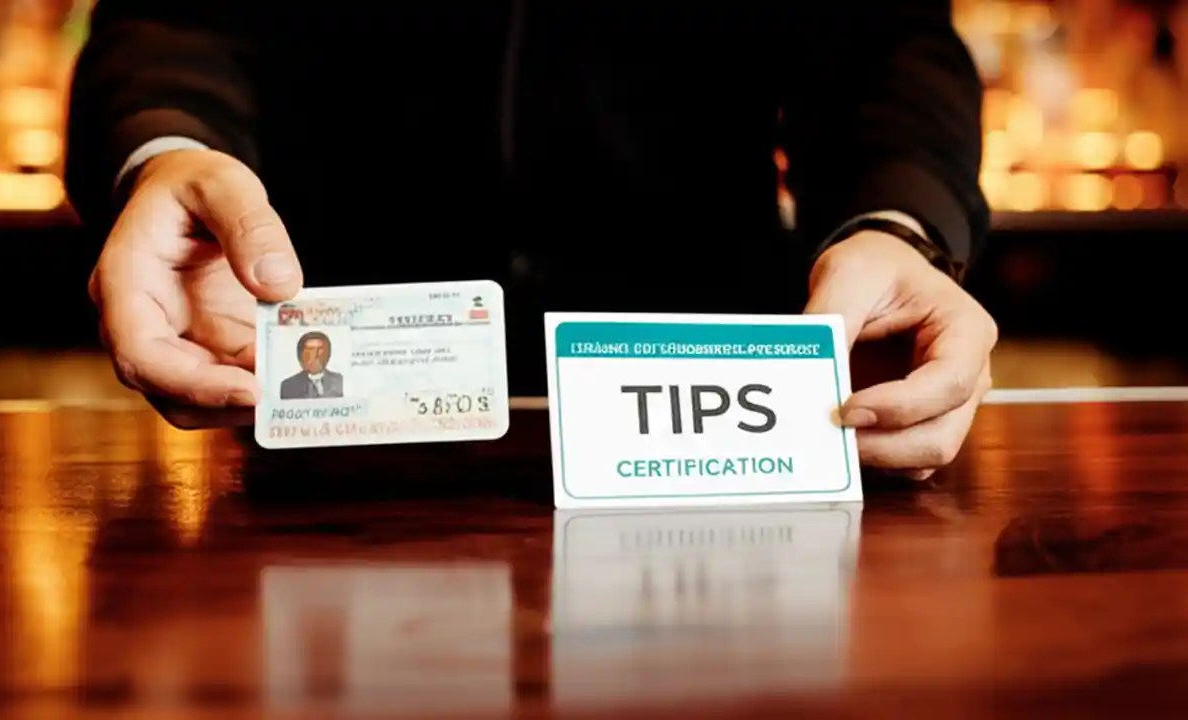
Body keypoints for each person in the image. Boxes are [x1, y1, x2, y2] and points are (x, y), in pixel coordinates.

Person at [67, 1, 997, 480]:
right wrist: (166, 149)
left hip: (709, 422)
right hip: (323, 417)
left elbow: (886, 44)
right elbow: (173, 20)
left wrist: (899, 225)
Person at [279, 331, 343, 400]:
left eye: (320, 349)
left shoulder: (339, 381)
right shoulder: (289, 386)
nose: (316, 355)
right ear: (300, 355)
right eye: (311, 350)